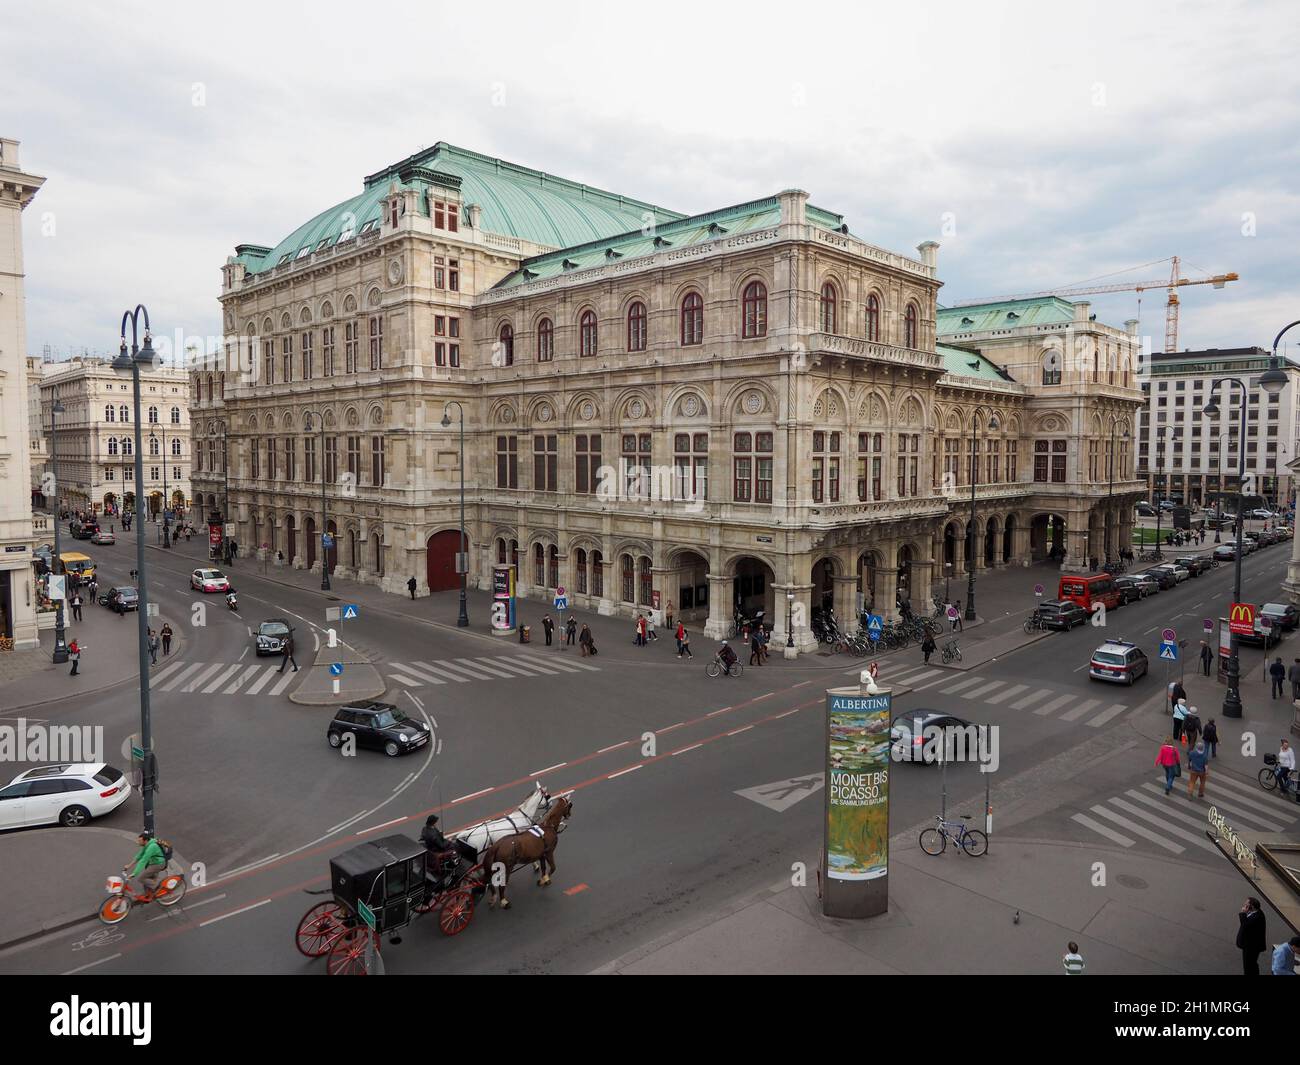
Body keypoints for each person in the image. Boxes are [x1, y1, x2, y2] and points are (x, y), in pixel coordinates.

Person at [124, 831, 168, 902]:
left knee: (141, 878)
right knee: (147, 878)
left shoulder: (151, 847)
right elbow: (139, 856)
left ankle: (157, 886)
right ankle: (149, 893)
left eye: (140, 841)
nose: (138, 842)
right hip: (153, 862)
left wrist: (134, 873)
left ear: (145, 840)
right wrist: (129, 865)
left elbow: (143, 861)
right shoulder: (147, 844)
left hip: (158, 864)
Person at [1238, 898, 1267, 976]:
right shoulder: (1256, 913)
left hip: (1251, 947)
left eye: (1247, 905)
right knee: (1252, 964)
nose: (1244, 905)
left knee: (1248, 966)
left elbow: (1245, 926)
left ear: (1252, 906)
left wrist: (1243, 913)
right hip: (1250, 945)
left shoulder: (1257, 917)